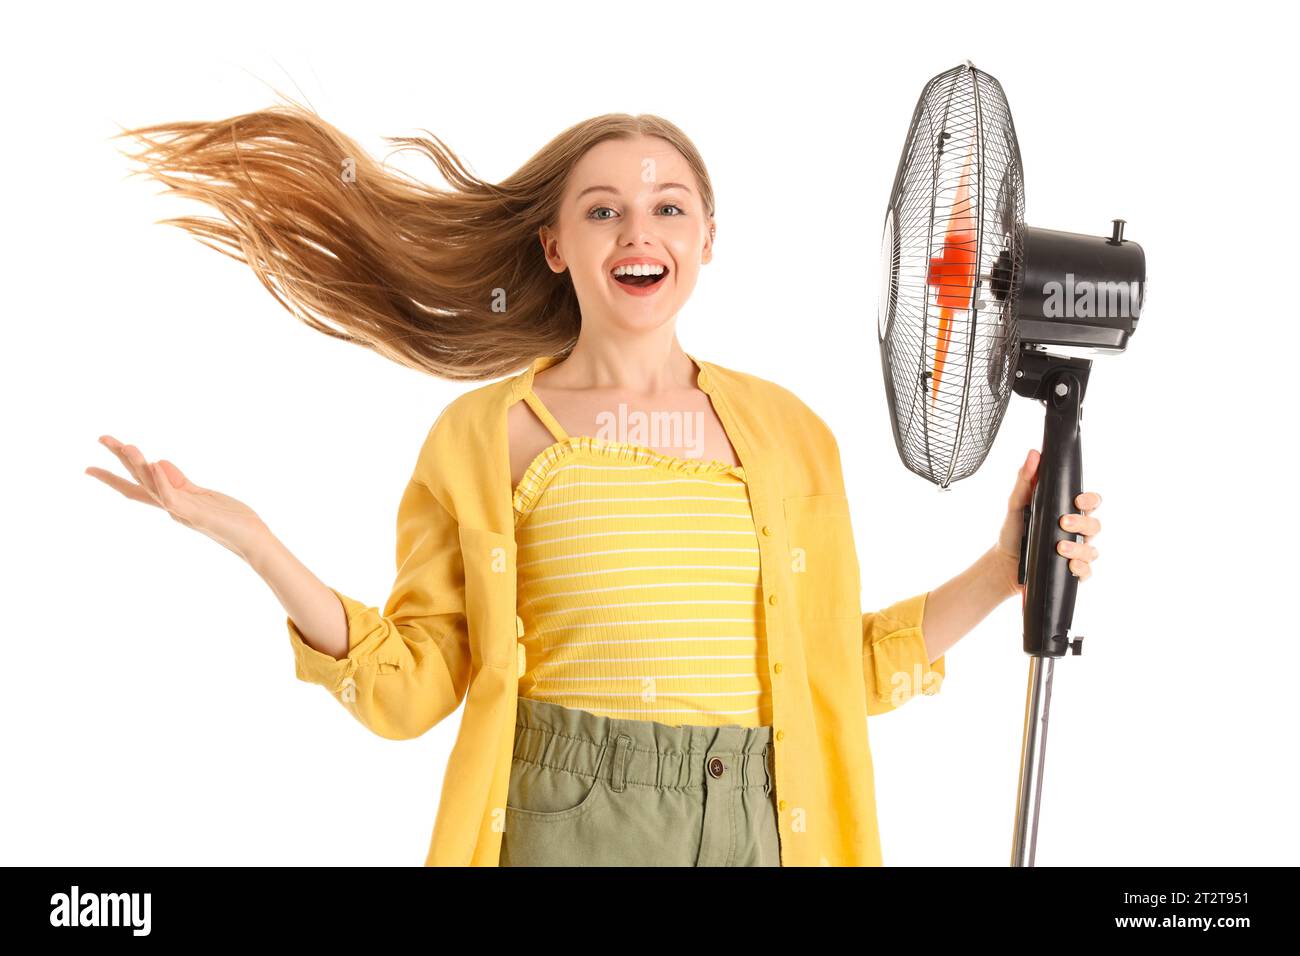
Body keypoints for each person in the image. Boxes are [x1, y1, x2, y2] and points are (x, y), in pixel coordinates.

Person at [88, 105, 1103, 865]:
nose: (637, 231)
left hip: (761, 820)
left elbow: (835, 667)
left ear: (708, 240)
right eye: (602, 210)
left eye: (668, 207)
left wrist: (1000, 569)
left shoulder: (792, 438)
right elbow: (409, 687)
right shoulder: (487, 438)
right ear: (554, 244)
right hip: (567, 820)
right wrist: (257, 540)